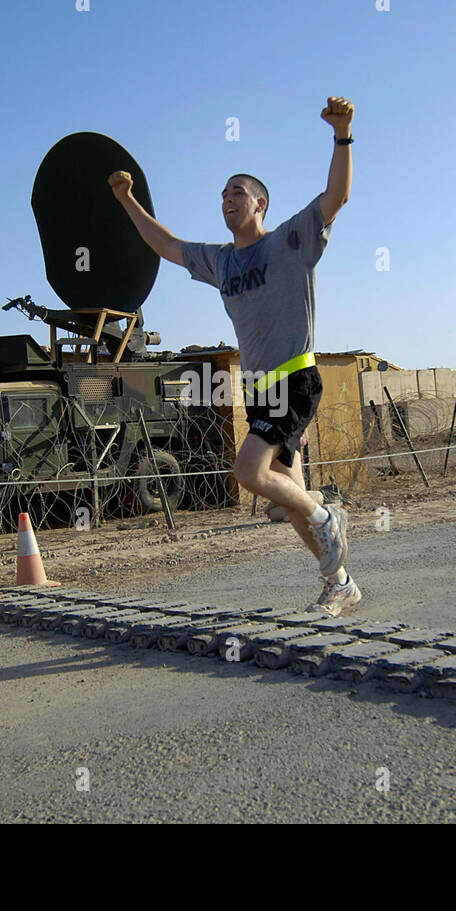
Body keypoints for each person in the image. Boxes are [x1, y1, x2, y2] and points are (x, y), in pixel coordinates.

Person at [108, 97, 360, 616]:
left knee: (249, 472)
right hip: (260, 389)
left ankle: (328, 517)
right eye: (222, 194)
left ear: (260, 204)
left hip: (295, 379)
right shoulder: (220, 261)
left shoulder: (291, 239)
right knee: (290, 499)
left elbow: (336, 196)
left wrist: (342, 135)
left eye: (238, 192)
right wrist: (125, 201)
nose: (228, 199)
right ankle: (339, 581)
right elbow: (166, 245)